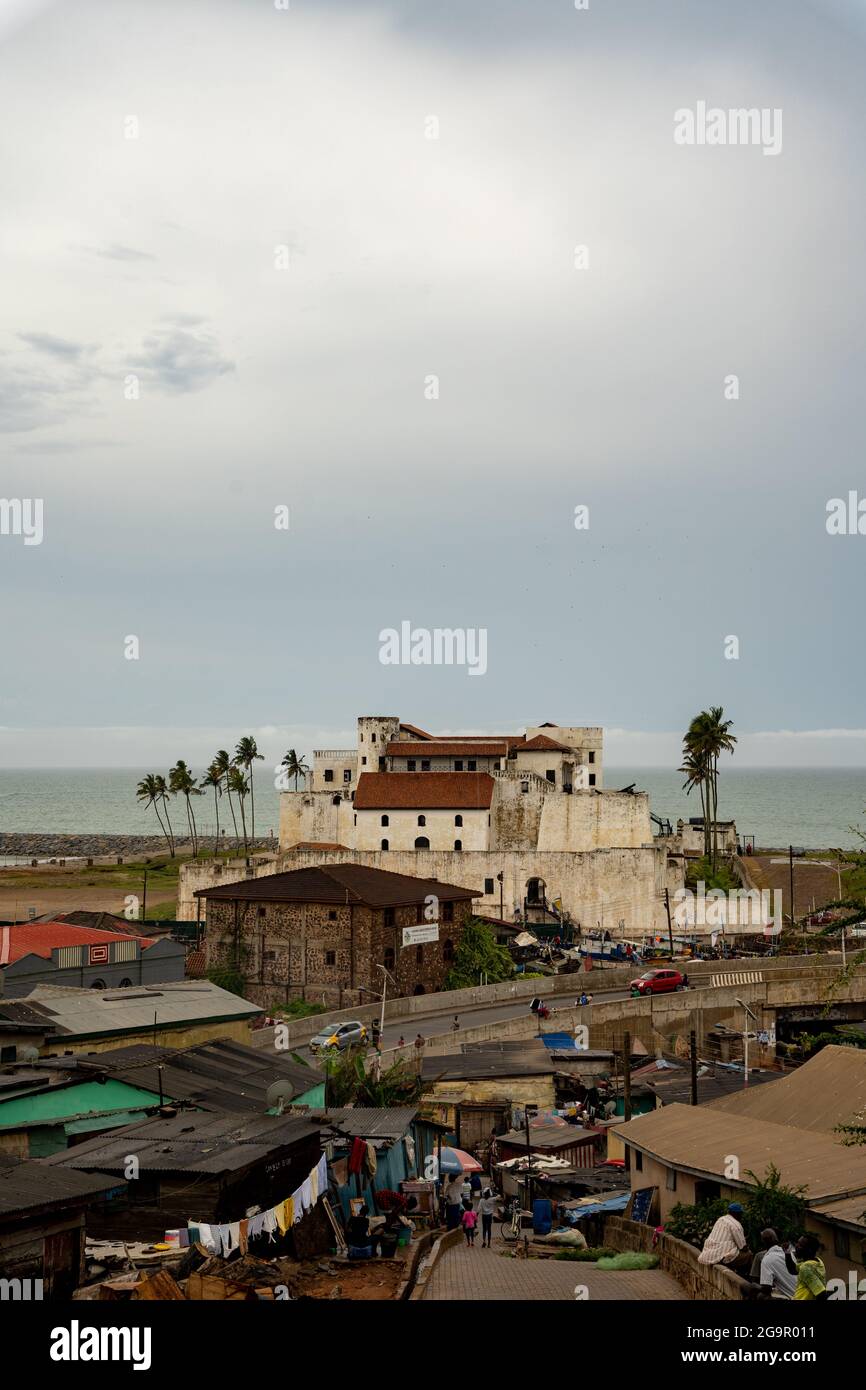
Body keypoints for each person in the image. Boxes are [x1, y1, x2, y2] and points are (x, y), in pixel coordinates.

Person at [698, 1203, 751, 1271]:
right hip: (721, 1257)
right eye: (741, 1214)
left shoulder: (720, 1219)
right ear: (737, 1214)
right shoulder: (736, 1225)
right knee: (748, 1254)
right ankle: (746, 1277)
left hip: (707, 1255)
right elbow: (743, 1247)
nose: (742, 1216)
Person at [756, 1230, 798, 1299]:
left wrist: (755, 1286)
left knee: (761, 1296)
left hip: (795, 1297)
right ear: (777, 1239)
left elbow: (766, 1289)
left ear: (763, 1242)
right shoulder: (789, 1254)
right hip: (803, 1295)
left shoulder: (767, 1260)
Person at [792, 1234, 828, 1300]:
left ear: (809, 1250)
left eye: (800, 1245)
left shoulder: (805, 1267)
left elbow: (822, 1294)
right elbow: (793, 1270)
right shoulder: (817, 1261)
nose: (796, 1246)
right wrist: (787, 1254)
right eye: (797, 1243)